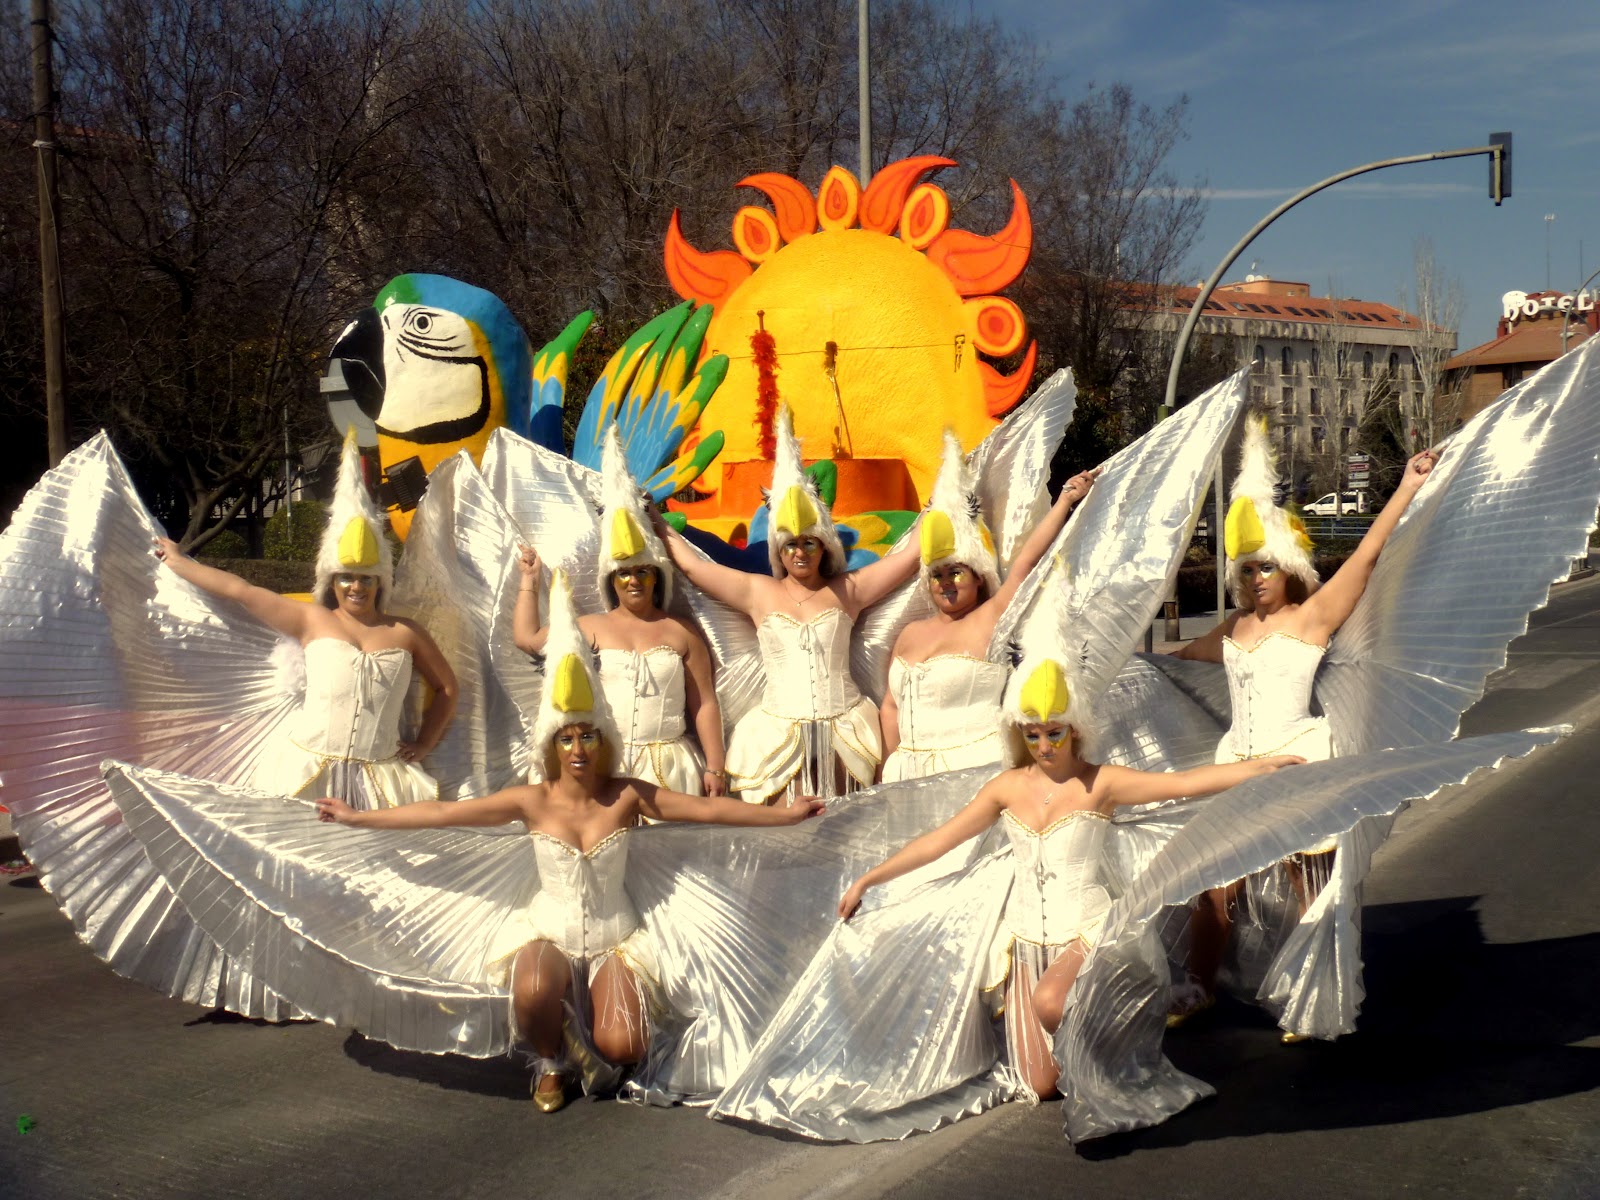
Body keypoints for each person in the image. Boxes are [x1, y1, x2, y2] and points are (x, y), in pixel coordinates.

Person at [316, 570, 822, 1111]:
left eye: (587, 737)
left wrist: (783, 816)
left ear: (603, 742)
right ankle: (550, 1058)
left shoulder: (627, 795)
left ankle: (597, 1033)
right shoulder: (531, 800)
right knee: (534, 989)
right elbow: (443, 813)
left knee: (623, 1046)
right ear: (551, 746)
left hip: (615, 936)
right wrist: (360, 818)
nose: (578, 750)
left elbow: (708, 809)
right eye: (566, 739)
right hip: (550, 934)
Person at [839, 626, 1301, 1099]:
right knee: (1041, 1086)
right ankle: (1073, 1033)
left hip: (1084, 931)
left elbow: (1186, 784)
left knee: (1051, 1004)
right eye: (1033, 735)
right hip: (1025, 939)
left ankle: (1111, 1031)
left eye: (1054, 733)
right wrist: (868, 880)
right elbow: (939, 841)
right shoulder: (1006, 788)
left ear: (1075, 728)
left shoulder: (1101, 782)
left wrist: (1261, 767)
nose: (1044, 746)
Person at [1167, 416, 1438, 1029]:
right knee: (1214, 882)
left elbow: (1366, 557)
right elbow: (1176, 660)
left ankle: (1318, 998)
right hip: (1236, 766)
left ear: (1289, 566)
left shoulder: (1313, 617)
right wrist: (1118, 667)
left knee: (1308, 885)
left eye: (1265, 567)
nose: (1255, 578)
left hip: (1295, 761)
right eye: (1246, 569)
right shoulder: (1234, 627)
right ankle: (1199, 986)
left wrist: (1406, 487)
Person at [155, 427, 457, 808]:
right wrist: (179, 563)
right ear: (332, 580)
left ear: (380, 581)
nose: (356, 587)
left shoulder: (405, 632)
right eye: (346, 577)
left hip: (383, 782)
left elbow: (447, 688)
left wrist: (425, 743)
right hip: (305, 776)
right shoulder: (311, 620)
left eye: (366, 578)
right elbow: (241, 591)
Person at [657, 405, 919, 802]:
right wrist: (652, 519)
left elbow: (909, 557)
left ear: (824, 546)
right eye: (790, 544)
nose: (799, 552)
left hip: (846, 734)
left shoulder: (848, 589)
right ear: (778, 550)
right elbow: (693, 568)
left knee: (843, 824)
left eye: (808, 542)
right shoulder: (757, 592)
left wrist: (945, 502)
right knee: (785, 828)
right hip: (775, 739)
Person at [513, 425, 726, 795]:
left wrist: (716, 768)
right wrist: (530, 580)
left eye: (642, 571)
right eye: (624, 573)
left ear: (657, 575)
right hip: (605, 767)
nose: (633, 581)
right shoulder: (587, 627)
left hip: (672, 771)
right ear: (611, 580)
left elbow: (704, 703)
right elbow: (527, 639)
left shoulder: (682, 632)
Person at [881, 429, 1098, 780]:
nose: (946, 582)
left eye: (956, 572)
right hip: (904, 776)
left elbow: (1026, 561)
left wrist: (1065, 500)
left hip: (972, 773)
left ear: (978, 576)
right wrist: (888, 772)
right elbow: (890, 707)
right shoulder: (909, 633)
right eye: (937, 575)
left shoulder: (991, 616)